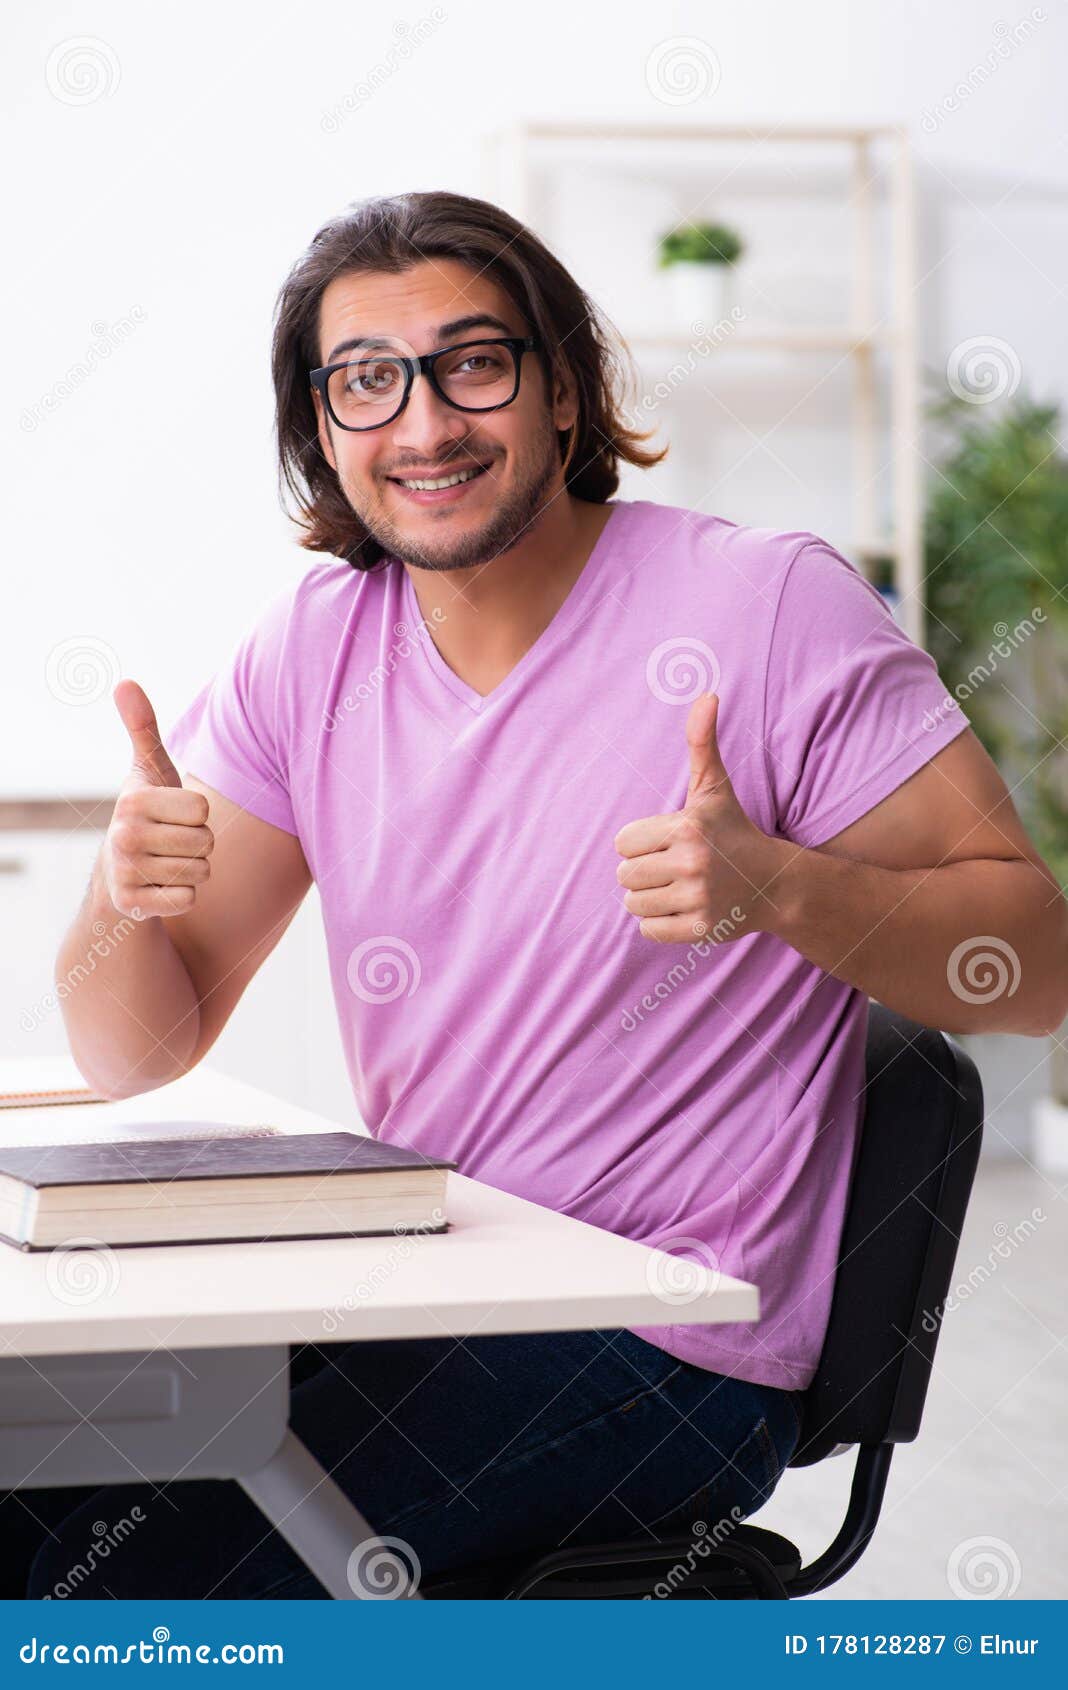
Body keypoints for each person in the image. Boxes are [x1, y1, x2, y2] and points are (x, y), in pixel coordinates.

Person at [22, 191, 1067, 1600]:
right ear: (323, 428)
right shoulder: (312, 651)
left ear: (564, 387)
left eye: (475, 363)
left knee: (79, 1567)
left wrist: (784, 889)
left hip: (665, 1345)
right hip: (423, 1293)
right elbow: (135, 1049)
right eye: (366, 380)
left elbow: (1039, 961)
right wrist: (120, 894)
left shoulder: (766, 609)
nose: (426, 423)